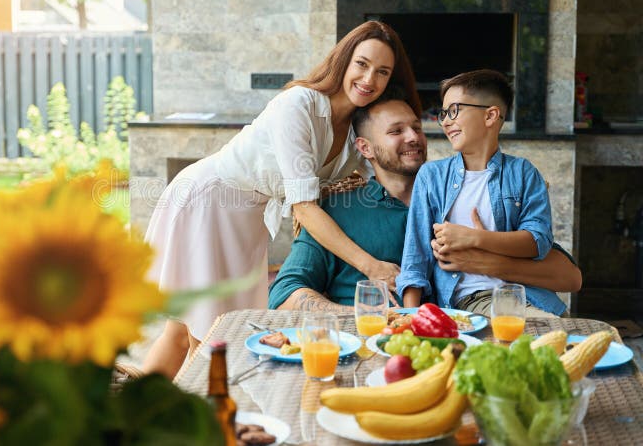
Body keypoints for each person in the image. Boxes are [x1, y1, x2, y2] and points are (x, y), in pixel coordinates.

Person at [142, 21, 421, 379]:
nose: (370, 79)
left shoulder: (355, 130)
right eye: (362, 64)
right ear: (342, 62)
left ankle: (129, 415)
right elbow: (303, 205)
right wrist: (372, 267)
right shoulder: (299, 104)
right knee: (209, 336)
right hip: (209, 201)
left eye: (382, 72)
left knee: (183, 331)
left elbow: (371, 178)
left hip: (247, 219)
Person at [268, 90, 581, 313]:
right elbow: (285, 292)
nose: (413, 137)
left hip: (459, 336)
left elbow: (567, 275)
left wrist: (482, 260)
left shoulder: (456, 194)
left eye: (416, 127)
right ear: (365, 147)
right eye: (396, 131)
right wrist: (358, 319)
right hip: (367, 340)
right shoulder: (340, 210)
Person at [397, 69, 565, 316]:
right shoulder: (431, 177)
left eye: (454, 111)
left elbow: (538, 241)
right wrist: (410, 320)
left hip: (526, 295)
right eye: (443, 114)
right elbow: (415, 260)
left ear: (490, 115)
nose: (445, 121)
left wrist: (474, 239)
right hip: (471, 302)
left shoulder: (523, 173)